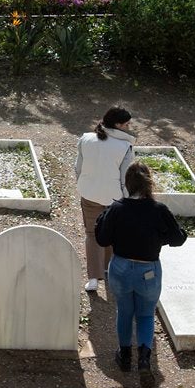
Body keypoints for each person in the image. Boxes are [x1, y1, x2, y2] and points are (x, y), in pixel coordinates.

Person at [94, 162, 187, 380]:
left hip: (121, 267)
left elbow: (102, 239)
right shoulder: (158, 210)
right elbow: (178, 238)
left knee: (124, 312)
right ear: (149, 184)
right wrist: (159, 239)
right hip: (149, 270)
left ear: (126, 184)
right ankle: (144, 358)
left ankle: (124, 354)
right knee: (146, 314)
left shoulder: (116, 209)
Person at [74, 106, 135, 293]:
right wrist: (127, 199)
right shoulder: (125, 147)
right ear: (117, 125)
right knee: (112, 232)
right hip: (114, 197)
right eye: (126, 124)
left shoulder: (86, 139)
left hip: (89, 194)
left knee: (92, 234)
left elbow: (78, 168)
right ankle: (108, 268)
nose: (129, 127)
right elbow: (126, 178)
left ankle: (93, 277)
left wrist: (85, 185)